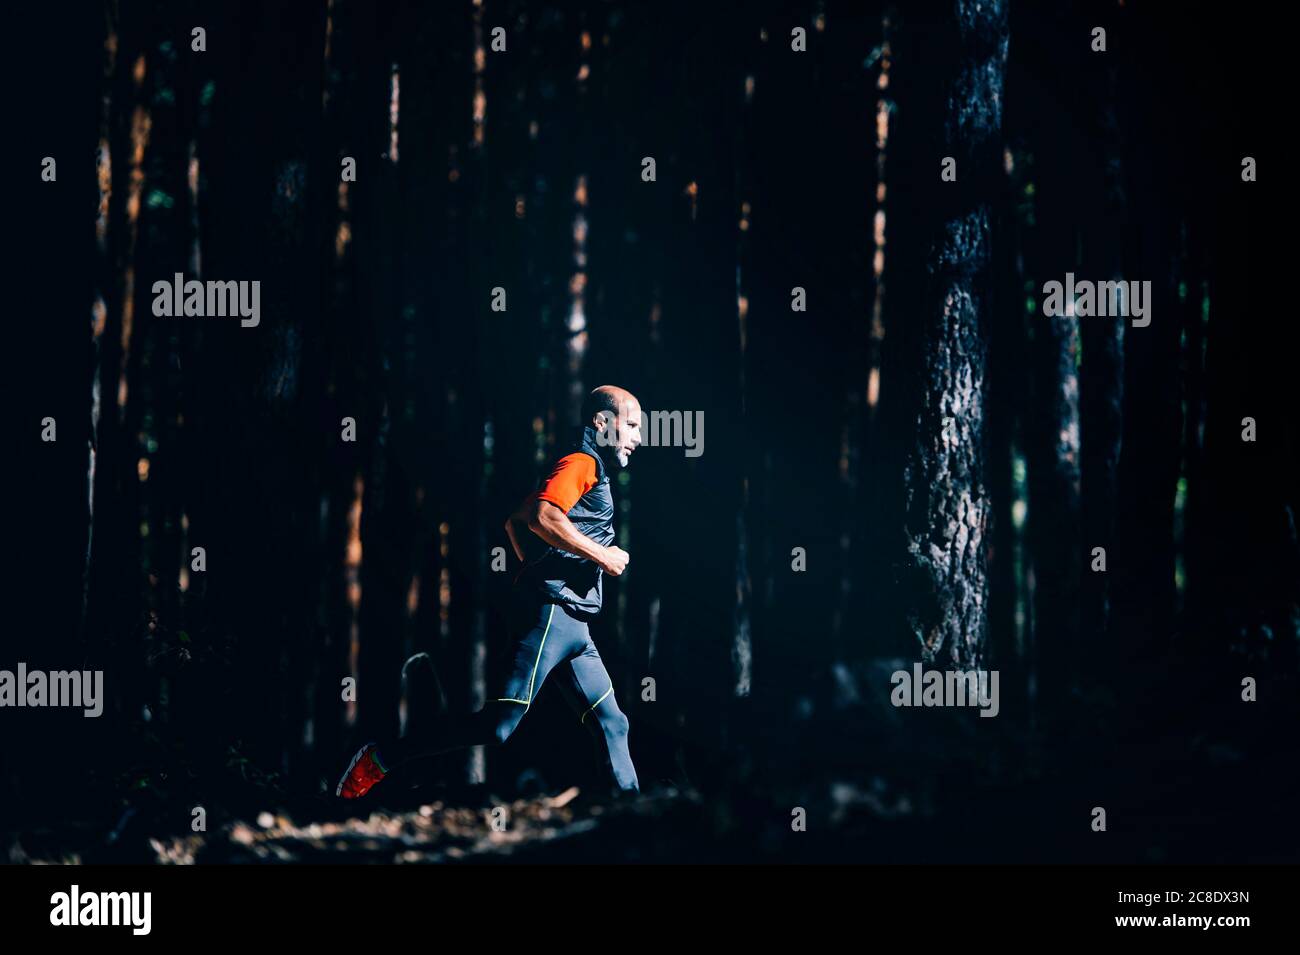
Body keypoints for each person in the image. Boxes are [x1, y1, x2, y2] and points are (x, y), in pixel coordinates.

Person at [336, 385, 643, 799]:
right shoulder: (581, 462)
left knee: (613, 722)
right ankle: (381, 757)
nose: (638, 437)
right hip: (552, 616)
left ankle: (631, 811)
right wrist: (601, 556)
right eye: (631, 425)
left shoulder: (592, 469)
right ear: (601, 422)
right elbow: (540, 516)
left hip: (577, 627)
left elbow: (514, 522)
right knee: (498, 727)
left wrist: (534, 568)